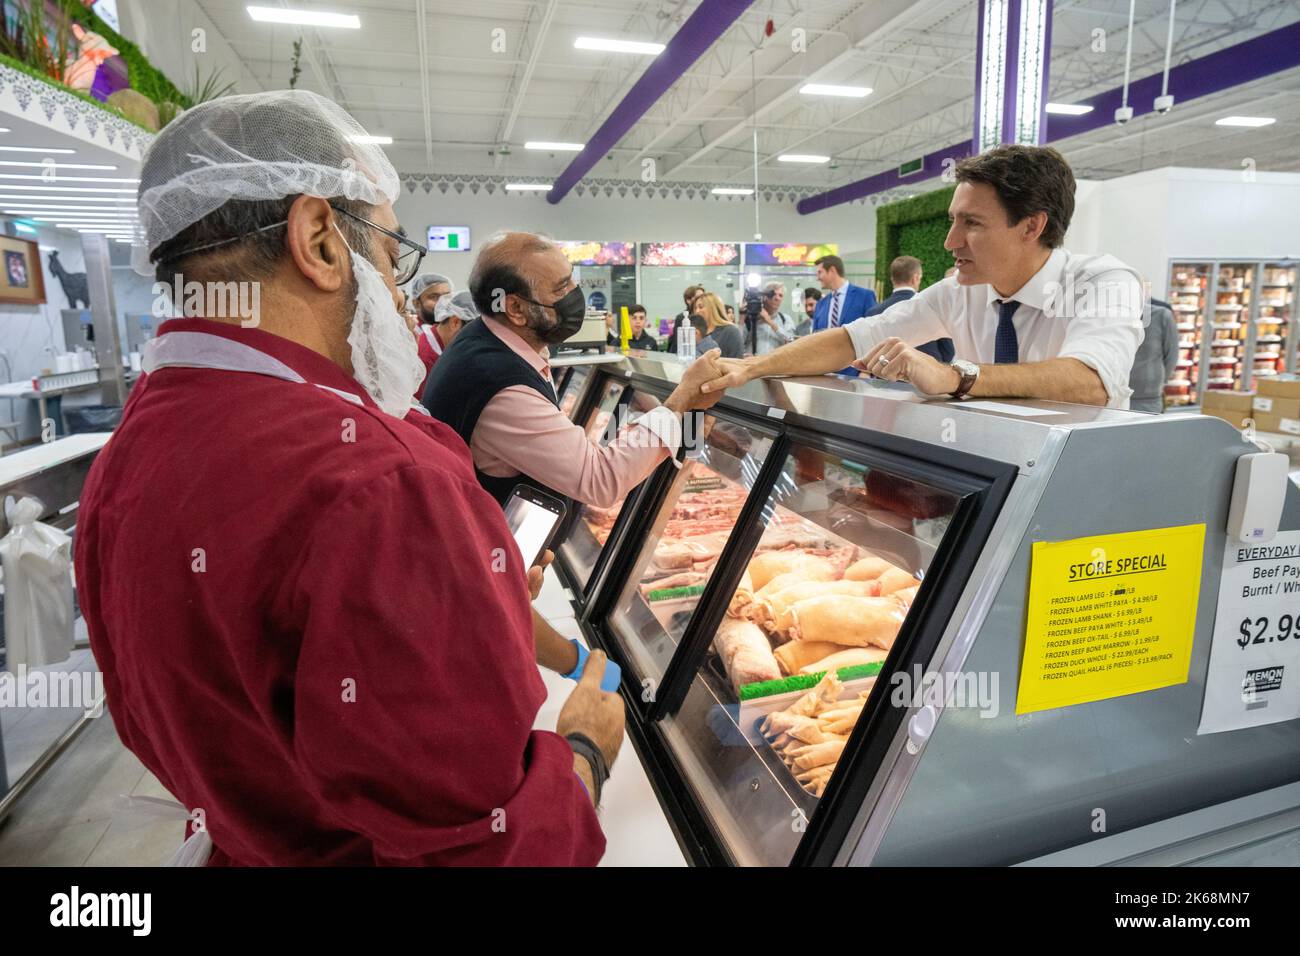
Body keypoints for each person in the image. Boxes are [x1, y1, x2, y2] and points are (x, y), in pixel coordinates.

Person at [75, 90, 623, 866]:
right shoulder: (377, 483)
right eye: (390, 257)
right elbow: (485, 854)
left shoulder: (127, 456)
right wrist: (584, 754)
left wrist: (467, 608)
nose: (401, 299)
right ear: (319, 242)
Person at [702, 144, 1143, 408]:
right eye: (954, 221)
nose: (950, 242)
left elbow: (1093, 381)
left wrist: (955, 376)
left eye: (972, 224)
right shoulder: (957, 292)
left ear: (1032, 226)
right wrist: (751, 366)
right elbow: (852, 340)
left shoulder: (1102, 283)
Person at [867, 256, 954, 364]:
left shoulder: (874, 312)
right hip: (927, 374)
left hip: (887, 376)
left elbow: (871, 352)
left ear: (892, 279)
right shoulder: (931, 307)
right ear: (916, 278)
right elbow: (948, 352)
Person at [1128, 296, 1178, 413]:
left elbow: (1171, 356)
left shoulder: (1161, 315)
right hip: (1112, 398)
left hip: (1148, 399)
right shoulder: (1107, 317)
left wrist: (1156, 382)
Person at [810, 254, 876, 331]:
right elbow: (815, 335)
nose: (817, 278)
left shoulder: (865, 296)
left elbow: (873, 329)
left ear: (832, 270)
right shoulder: (820, 304)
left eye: (820, 272)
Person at [692, 291, 745, 359]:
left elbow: (738, 362)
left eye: (701, 307)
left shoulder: (731, 331)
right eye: (695, 308)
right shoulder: (696, 332)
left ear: (713, 308)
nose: (697, 311)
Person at [754, 281, 798, 355]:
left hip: (776, 364)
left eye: (780, 295)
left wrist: (770, 322)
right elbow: (740, 340)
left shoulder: (785, 319)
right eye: (773, 294)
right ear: (765, 296)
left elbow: (791, 340)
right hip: (754, 364)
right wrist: (742, 318)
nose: (777, 298)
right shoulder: (752, 319)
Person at [664, 283, 704, 353]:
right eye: (698, 297)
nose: (702, 300)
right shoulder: (682, 318)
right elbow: (678, 343)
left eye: (703, 297)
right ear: (688, 300)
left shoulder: (704, 316)